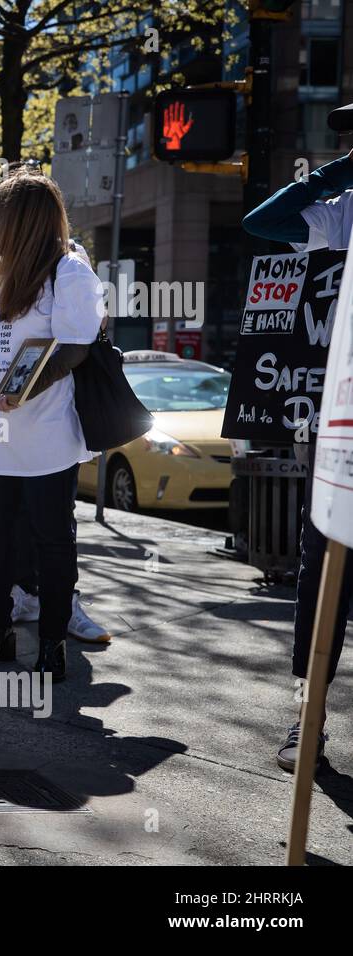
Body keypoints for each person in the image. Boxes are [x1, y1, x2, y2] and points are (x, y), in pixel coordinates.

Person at [0, 171, 104, 682]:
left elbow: (77, 344)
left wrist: (24, 386)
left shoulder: (69, 270)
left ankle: (52, 644)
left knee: (53, 539)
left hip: (48, 432)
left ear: (22, 219)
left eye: (0, 214)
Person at [243, 135, 353, 772]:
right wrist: (336, 173)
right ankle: (306, 719)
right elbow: (266, 223)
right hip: (339, 423)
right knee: (322, 575)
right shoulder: (342, 210)